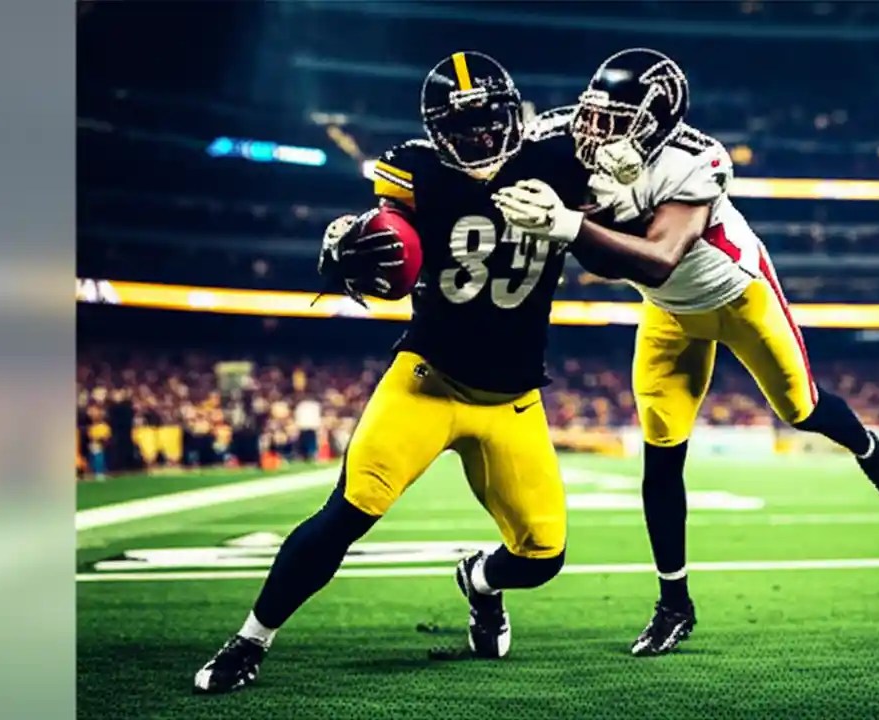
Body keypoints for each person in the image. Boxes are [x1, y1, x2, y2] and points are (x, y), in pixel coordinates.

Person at [493, 48, 879, 657]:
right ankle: (674, 604)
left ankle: (874, 454)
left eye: (616, 122)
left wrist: (567, 224)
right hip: (670, 313)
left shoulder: (694, 160)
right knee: (661, 455)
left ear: (657, 123)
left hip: (737, 296)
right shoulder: (563, 136)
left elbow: (661, 255)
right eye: (592, 116)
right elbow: (490, 167)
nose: (593, 132)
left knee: (801, 407)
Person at [193, 50, 593, 694]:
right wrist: (350, 238)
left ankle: (481, 581)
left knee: (543, 556)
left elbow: (620, 216)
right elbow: (390, 234)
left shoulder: (557, 157)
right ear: (436, 131)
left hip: (514, 399)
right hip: (426, 380)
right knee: (347, 513)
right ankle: (249, 640)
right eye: (462, 129)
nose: (481, 138)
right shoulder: (417, 169)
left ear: (513, 110)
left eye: (490, 121)